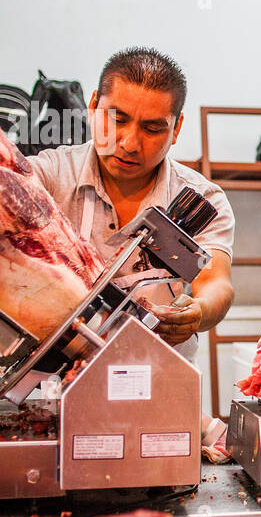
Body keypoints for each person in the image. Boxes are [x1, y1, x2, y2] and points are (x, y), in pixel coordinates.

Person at [28, 47, 235, 362]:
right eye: (116, 119)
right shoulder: (50, 176)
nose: (128, 143)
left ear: (176, 128)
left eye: (152, 129)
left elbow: (216, 282)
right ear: (93, 105)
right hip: (50, 378)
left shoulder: (200, 199)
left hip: (155, 377)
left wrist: (197, 311)